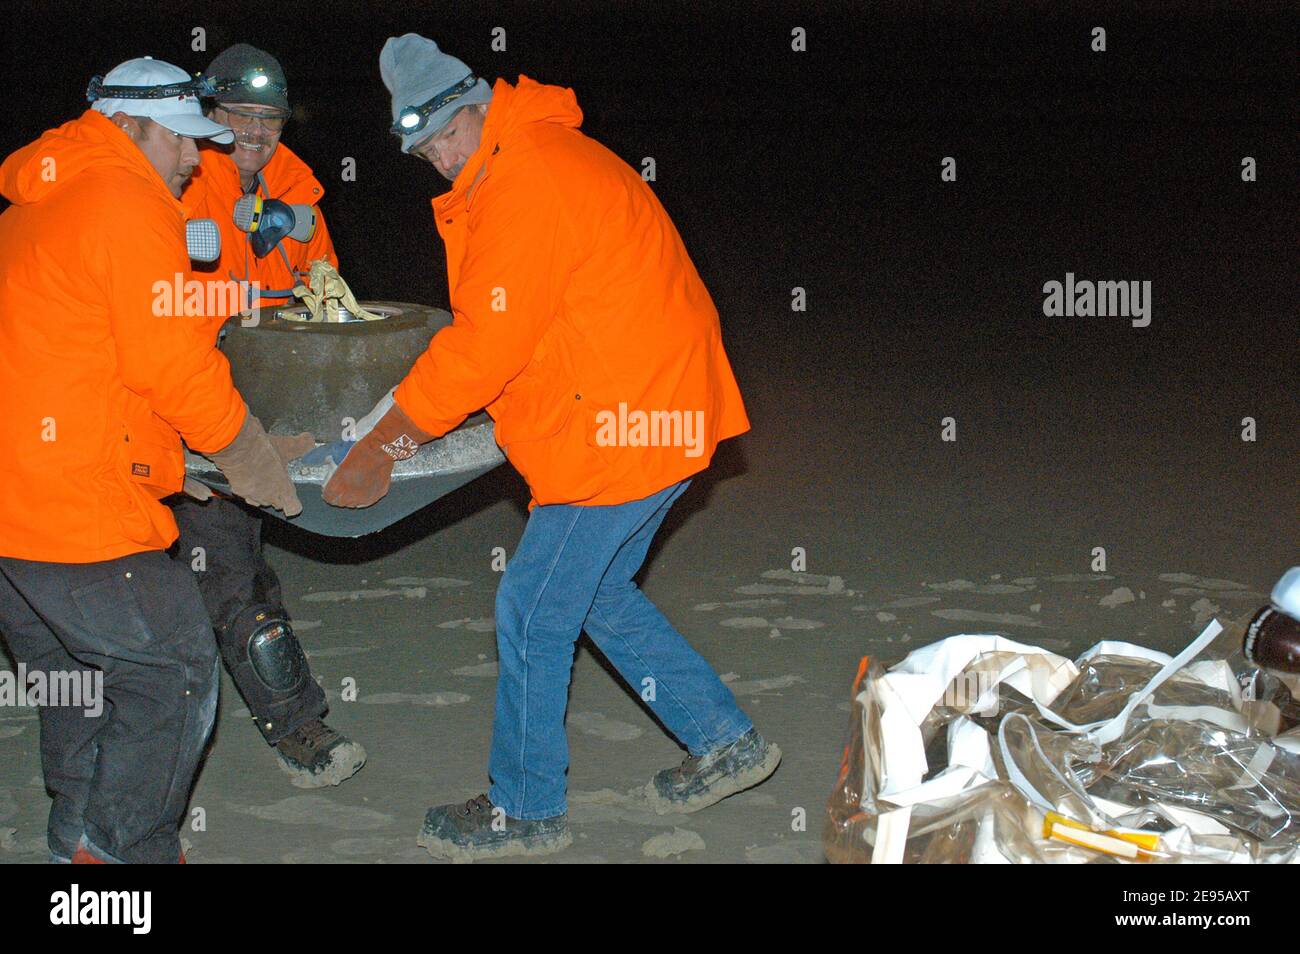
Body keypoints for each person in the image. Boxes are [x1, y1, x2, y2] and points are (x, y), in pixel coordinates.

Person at [325, 34, 779, 861]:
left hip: (622, 427)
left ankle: (525, 810)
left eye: (441, 139)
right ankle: (726, 740)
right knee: (596, 594)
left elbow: (490, 342)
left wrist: (388, 439)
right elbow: (522, 327)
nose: (435, 160)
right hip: (659, 408)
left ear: (472, 109)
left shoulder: (526, 180)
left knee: (531, 608)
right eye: (419, 150)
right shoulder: (528, 155)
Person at [0, 56, 301, 863]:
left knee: (80, 686)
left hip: (15, 512)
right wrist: (246, 453)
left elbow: (75, 356)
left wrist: (171, 463)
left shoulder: (36, 200)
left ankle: (75, 848)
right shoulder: (126, 201)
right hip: (78, 510)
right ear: (133, 127)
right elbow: (170, 362)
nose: (194, 159)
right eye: (182, 142)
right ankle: (125, 854)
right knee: (173, 669)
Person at [177, 43, 364, 788]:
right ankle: (297, 729)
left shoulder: (299, 193)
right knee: (224, 579)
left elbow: (327, 303)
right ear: (209, 116)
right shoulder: (181, 185)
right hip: (188, 412)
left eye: (269, 117)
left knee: (237, 570)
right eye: (237, 114)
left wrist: (297, 234)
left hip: (259, 414)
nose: (253, 130)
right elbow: (166, 310)